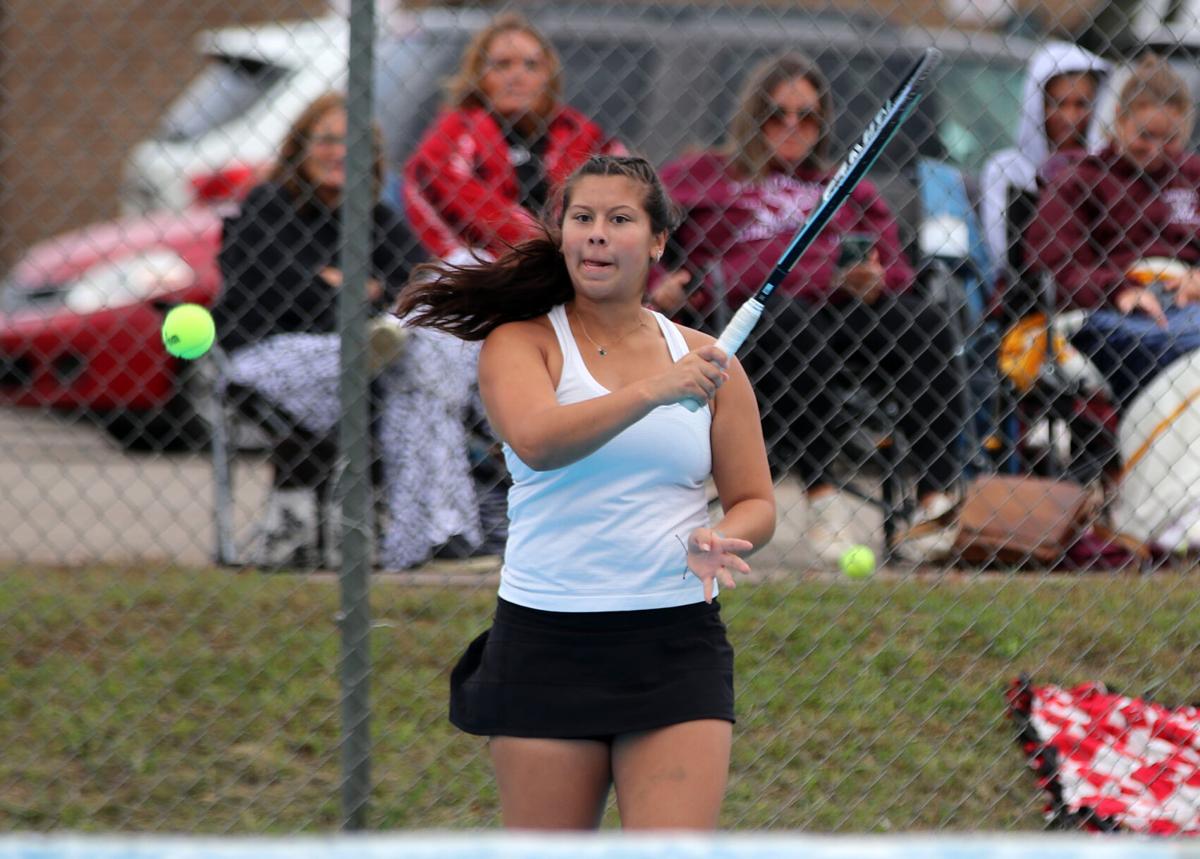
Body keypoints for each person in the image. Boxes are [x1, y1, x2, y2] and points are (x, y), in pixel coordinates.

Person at [395, 154, 776, 830]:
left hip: (674, 647)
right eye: (583, 217)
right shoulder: (522, 343)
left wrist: (724, 536)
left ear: (657, 241)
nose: (597, 233)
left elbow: (755, 500)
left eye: (620, 219)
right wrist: (654, 388)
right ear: (563, 232)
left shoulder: (710, 363)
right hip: (547, 647)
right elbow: (541, 439)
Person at [654, 52, 968, 564]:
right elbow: (647, 230)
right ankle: (822, 499)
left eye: (808, 116)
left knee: (923, 321)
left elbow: (896, 268)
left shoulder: (847, 185)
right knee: (794, 324)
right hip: (751, 320)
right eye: (780, 114)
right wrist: (659, 284)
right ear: (755, 117)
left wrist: (875, 278)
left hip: (845, 312)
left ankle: (935, 497)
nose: (794, 127)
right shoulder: (706, 175)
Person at [214, 92, 484, 570]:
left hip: (372, 367)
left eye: (353, 142)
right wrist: (366, 294)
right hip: (270, 357)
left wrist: (342, 287)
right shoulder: (268, 205)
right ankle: (439, 531)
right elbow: (279, 292)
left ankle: (420, 536)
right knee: (411, 357)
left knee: (416, 363)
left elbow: (418, 287)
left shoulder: (377, 219)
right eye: (326, 140)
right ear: (300, 147)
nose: (339, 152)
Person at [1029, 54, 1200, 406]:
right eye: (1144, 135)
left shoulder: (1194, 177)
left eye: (1169, 139)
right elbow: (1055, 263)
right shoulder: (1081, 180)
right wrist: (1119, 290)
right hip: (1116, 308)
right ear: (1119, 121)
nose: (1155, 149)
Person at [402, 12, 625, 262]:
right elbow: (455, 204)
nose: (517, 76)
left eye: (531, 65)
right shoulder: (453, 136)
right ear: (480, 76)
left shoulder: (579, 133)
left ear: (548, 76)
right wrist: (546, 245)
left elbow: (629, 195)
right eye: (503, 64)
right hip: (482, 272)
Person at [979, 42, 1109, 284]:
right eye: (1059, 103)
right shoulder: (1007, 169)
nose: (1070, 117)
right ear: (1037, 104)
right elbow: (1001, 256)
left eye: (1081, 104)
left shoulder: (1105, 165)